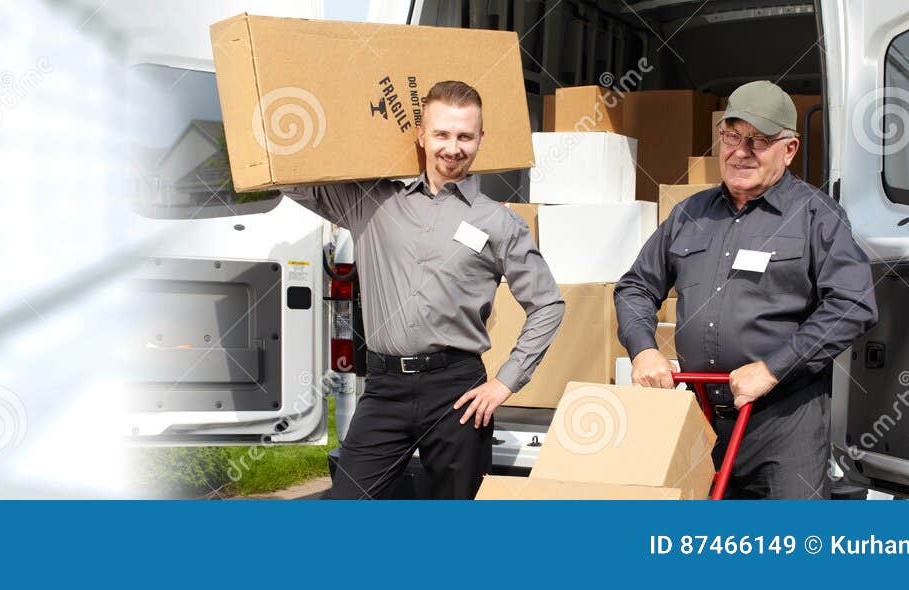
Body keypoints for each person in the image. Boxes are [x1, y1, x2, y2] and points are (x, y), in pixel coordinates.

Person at [282, 80, 564, 499]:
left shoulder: (499, 222)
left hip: (460, 393)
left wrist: (505, 382)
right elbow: (286, 177)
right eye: (442, 134)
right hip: (385, 390)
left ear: (481, 139)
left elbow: (548, 305)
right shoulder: (369, 202)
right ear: (421, 135)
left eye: (466, 136)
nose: (454, 148)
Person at [615, 80, 877, 499]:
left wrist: (773, 368)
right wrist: (643, 348)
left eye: (757, 141)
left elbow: (852, 304)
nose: (740, 152)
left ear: (789, 150)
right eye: (731, 136)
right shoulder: (689, 214)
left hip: (784, 425)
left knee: (788, 552)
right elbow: (635, 287)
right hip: (699, 420)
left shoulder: (816, 216)